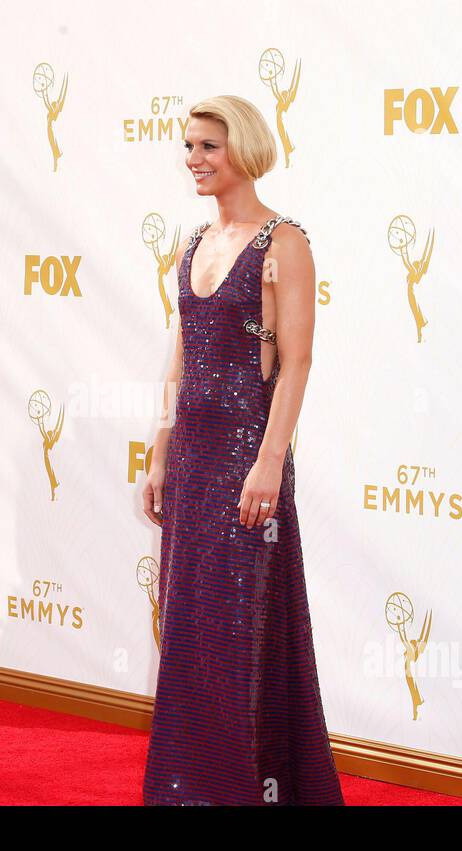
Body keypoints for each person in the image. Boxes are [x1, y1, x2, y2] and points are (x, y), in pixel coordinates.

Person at [141, 96, 343, 805]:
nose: (193, 159)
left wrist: (268, 460)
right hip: (194, 457)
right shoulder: (193, 243)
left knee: (243, 628)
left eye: (208, 147)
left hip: (245, 457)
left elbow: (298, 362)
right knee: (190, 627)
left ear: (243, 150)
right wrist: (159, 451)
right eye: (189, 146)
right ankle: (188, 786)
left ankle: (251, 787)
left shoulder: (283, 242)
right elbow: (180, 355)